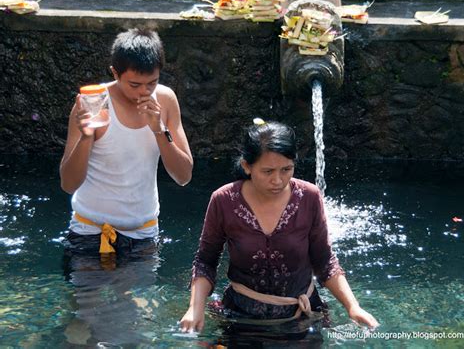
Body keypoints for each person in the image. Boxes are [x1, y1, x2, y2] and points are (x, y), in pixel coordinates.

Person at [180, 120, 378, 333]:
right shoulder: (223, 200)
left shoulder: (309, 197)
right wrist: (195, 308)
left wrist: (353, 306)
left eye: (286, 169)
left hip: (302, 319)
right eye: (268, 171)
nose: (278, 180)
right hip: (240, 317)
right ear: (247, 166)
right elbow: (205, 261)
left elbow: (325, 261)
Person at [60, 28, 193, 256]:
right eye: (134, 85)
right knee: (85, 292)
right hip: (89, 230)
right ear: (115, 73)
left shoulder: (166, 99)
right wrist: (85, 137)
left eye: (152, 83)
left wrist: (159, 130)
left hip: (142, 233)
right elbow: (68, 184)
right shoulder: (93, 103)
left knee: (139, 293)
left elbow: (184, 176)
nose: (144, 91)